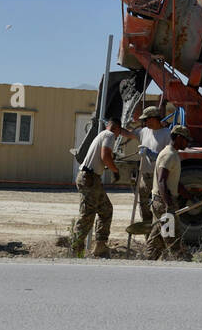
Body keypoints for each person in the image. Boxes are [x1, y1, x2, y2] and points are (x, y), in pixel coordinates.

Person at [73, 117, 126, 258]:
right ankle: (75, 250)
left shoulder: (102, 134)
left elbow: (103, 156)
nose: (119, 136)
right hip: (89, 178)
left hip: (91, 179)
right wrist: (115, 170)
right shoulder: (109, 135)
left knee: (106, 210)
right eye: (120, 132)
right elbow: (105, 156)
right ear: (116, 129)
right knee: (87, 216)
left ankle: (100, 246)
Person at [145, 125, 193, 262]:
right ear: (178, 138)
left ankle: (147, 261)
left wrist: (188, 196)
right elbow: (161, 181)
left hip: (160, 201)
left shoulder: (172, 154)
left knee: (157, 238)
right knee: (172, 236)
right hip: (163, 202)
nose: (187, 143)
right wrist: (169, 205)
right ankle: (182, 261)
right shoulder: (169, 155)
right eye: (186, 140)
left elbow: (174, 182)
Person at [131, 105, 172, 233]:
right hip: (144, 177)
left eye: (147, 119)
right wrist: (113, 128)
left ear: (154, 119)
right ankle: (149, 237)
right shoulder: (144, 131)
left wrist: (151, 154)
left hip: (158, 178)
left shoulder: (167, 134)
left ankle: (165, 237)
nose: (145, 122)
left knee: (160, 208)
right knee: (144, 207)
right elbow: (129, 133)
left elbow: (169, 156)